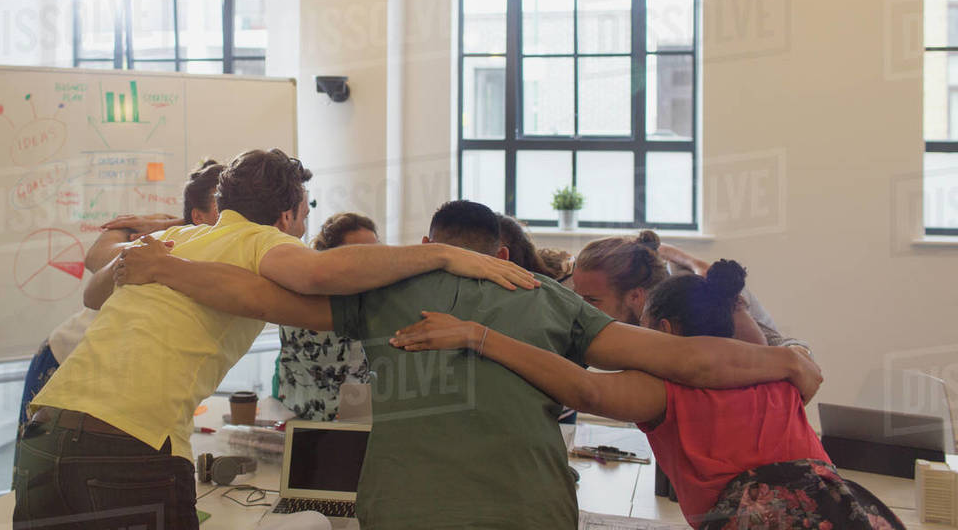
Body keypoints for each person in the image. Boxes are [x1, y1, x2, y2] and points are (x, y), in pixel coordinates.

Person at [114, 199, 822, 530]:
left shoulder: (383, 292)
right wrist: (785, 358)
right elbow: (686, 361)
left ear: (430, 244)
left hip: (406, 513)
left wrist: (165, 269)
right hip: (527, 511)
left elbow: (255, 293)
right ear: (503, 251)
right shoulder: (551, 300)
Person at [14, 150, 536, 530]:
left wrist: (146, 245)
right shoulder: (263, 239)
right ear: (287, 215)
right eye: (305, 216)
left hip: (47, 431)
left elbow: (93, 294)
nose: (304, 231)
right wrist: (441, 255)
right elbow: (320, 276)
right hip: (127, 443)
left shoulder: (174, 241)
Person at [391, 260, 902, 530]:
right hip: (850, 507)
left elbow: (583, 387)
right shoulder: (779, 369)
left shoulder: (666, 390)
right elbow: (751, 331)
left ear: (661, 329)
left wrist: (480, 336)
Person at [12, 160, 224, 441]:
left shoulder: (223, 244)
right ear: (199, 215)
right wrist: (168, 227)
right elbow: (96, 258)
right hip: (66, 354)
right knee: (39, 464)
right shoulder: (164, 243)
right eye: (225, 207)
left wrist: (171, 224)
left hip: (113, 376)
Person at [572, 230, 810, 353]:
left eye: (592, 300)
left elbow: (784, 346)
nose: (581, 309)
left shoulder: (700, 304)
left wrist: (797, 355)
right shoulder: (638, 285)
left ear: (636, 296)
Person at [277, 212, 379, 420]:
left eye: (376, 254)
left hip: (360, 426)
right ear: (330, 258)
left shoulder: (376, 302)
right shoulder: (301, 303)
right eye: (359, 255)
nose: (373, 263)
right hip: (308, 427)